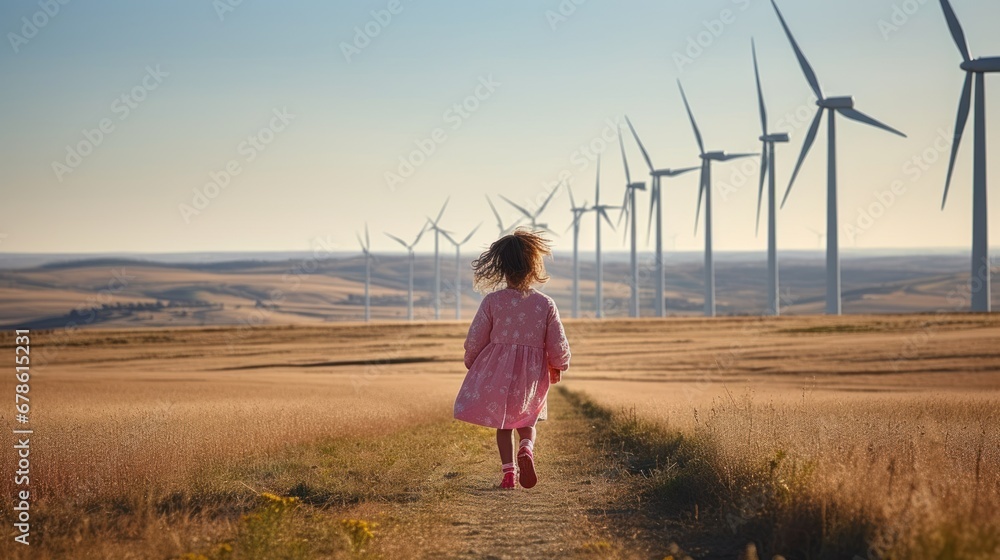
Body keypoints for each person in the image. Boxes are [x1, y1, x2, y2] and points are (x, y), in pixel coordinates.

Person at [453, 228, 571, 489]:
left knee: (503, 423)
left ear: (502, 268)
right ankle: (527, 448)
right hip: (531, 372)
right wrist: (558, 363)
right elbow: (557, 339)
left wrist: (472, 359)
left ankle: (509, 474)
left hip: (497, 370)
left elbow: (476, 336)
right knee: (527, 419)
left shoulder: (493, 301)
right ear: (533, 266)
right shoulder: (545, 304)